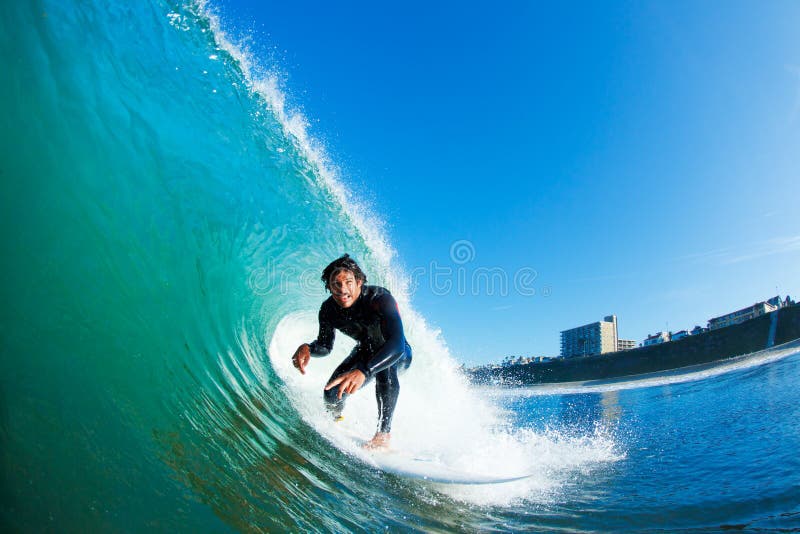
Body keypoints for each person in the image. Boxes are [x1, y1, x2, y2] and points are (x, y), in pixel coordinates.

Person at [291, 254, 412, 449]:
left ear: (359, 282)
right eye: (335, 284)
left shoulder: (379, 299)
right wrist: (308, 348)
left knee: (384, 369)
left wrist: (365, 370)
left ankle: (383, 435)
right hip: (365, 352)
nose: (342, 290)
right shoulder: (328, 310)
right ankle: (337, 420)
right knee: (331, 392)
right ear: (329, 287)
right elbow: (325, 346)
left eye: (348, 282)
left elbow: (397, 343)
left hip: (396, 352)